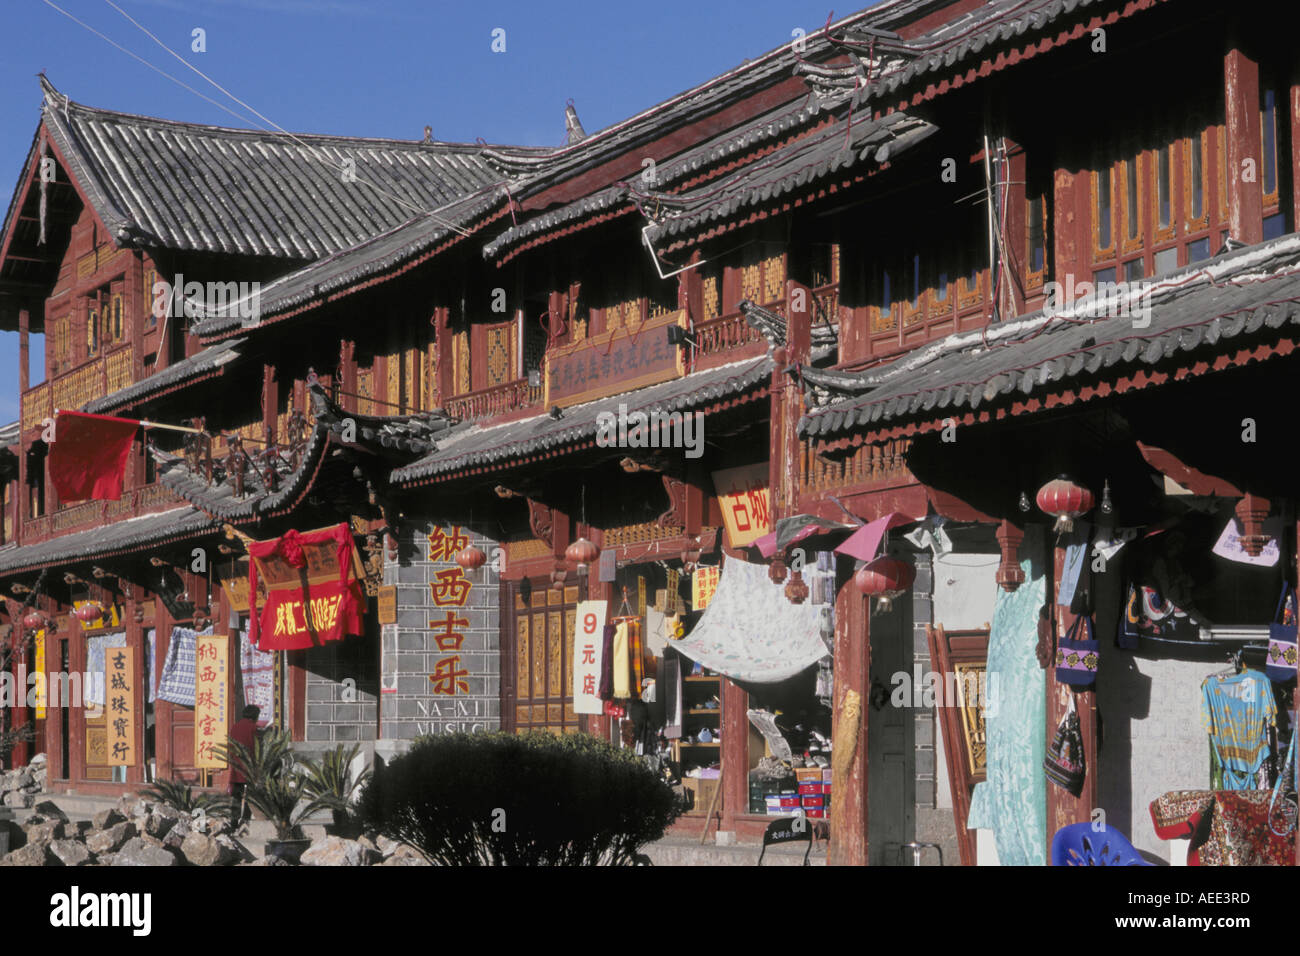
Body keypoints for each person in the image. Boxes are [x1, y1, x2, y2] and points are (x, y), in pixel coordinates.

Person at [228, 705, 261, 824]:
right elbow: (256, 747)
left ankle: (233, 820)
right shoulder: (253, 728)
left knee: (237, 795)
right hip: (249, 765)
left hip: (237, 765)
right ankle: (246, 818)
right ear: (254, 716)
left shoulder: (235, 727)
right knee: (250, 794)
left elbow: (231, 745)